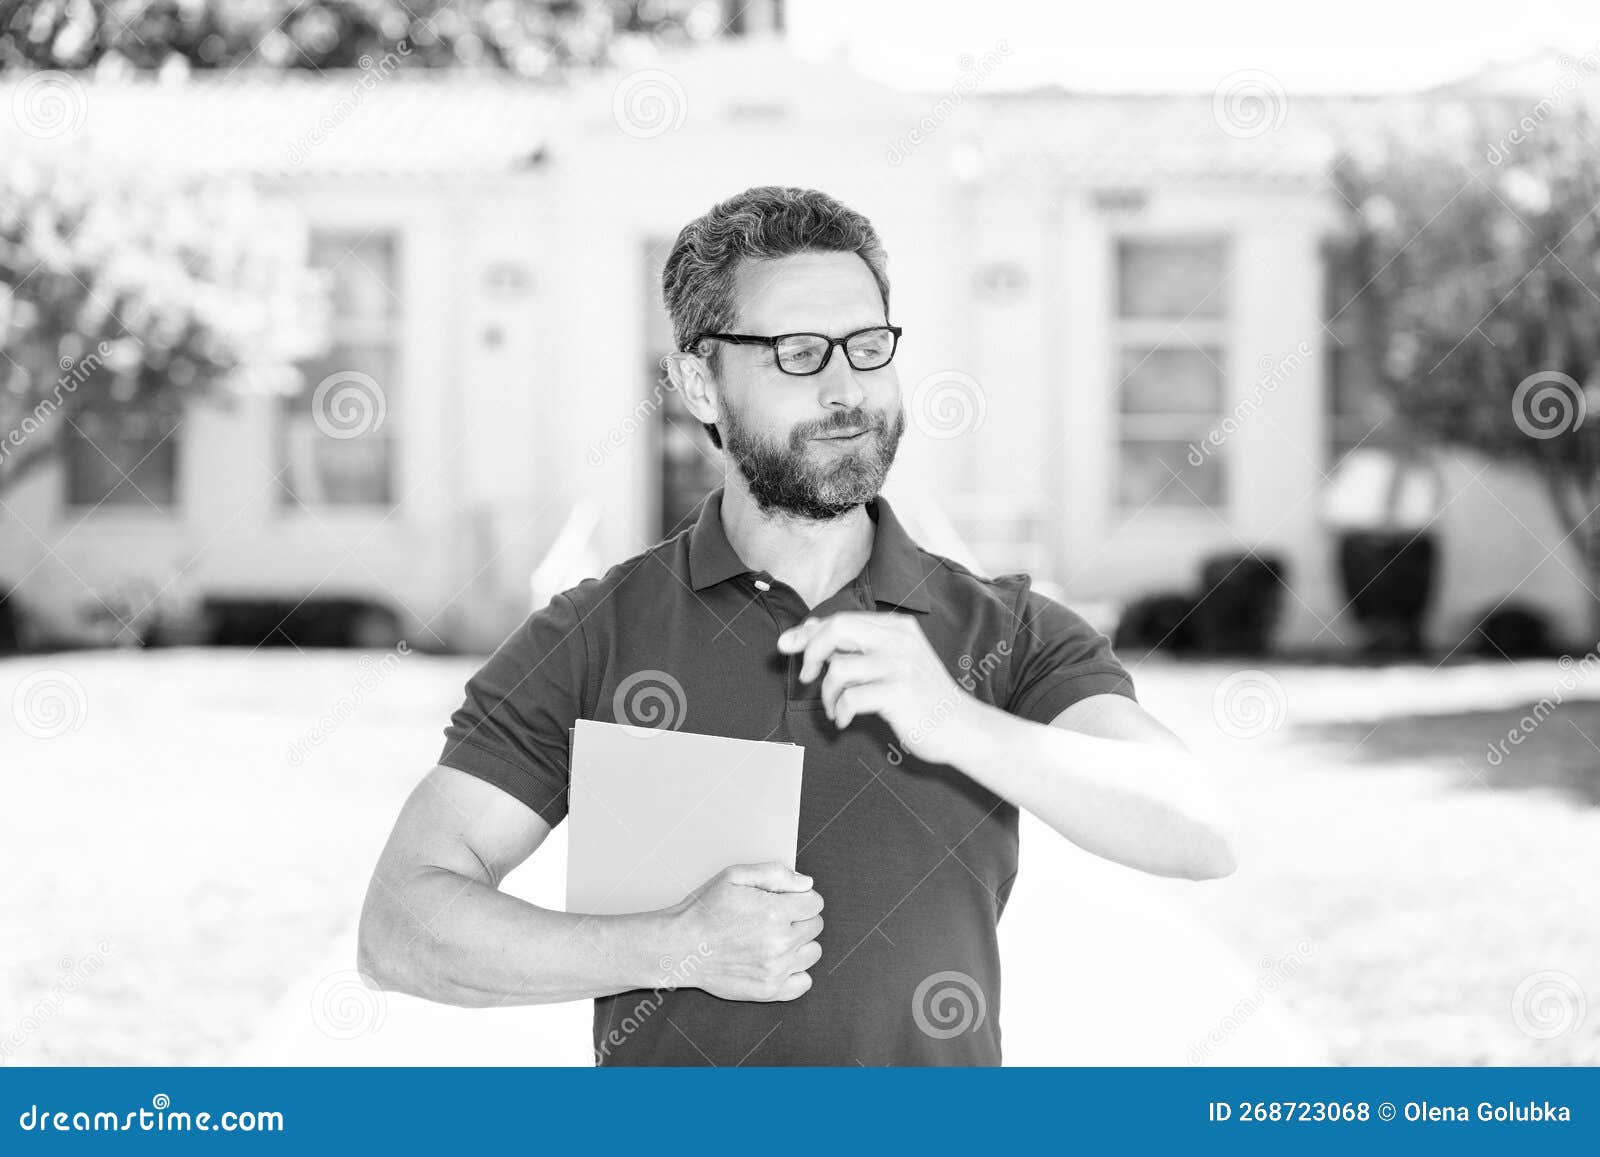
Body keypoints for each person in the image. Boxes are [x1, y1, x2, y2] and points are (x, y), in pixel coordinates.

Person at [357, 186, 1237, 1066]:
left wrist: (957, 722)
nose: (845, 387)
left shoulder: (1006, 630)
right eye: (798, 353)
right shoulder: (594, 633)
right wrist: (671, 945)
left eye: (867, 346)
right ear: (701, 382)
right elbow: (398, 925)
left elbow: (1200, 827)